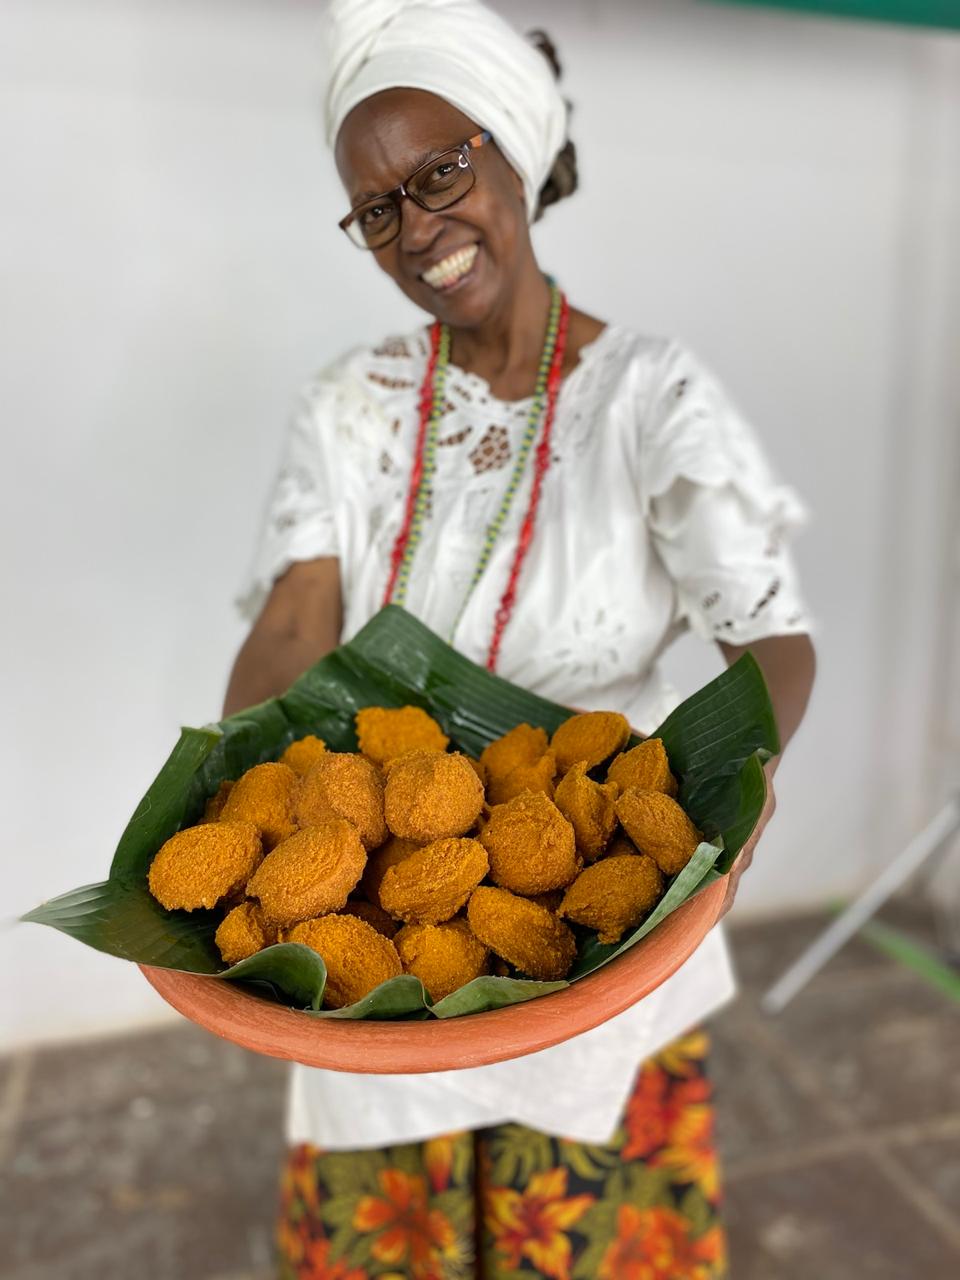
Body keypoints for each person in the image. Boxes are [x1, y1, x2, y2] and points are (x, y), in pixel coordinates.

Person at [225, 1, 817, 1275]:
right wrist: (229, 794)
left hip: (601, 937)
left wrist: (739, 783)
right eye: (377, 206)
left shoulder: (650, 393)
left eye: (442, 170)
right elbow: (294, 620)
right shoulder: (351, 404)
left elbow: (772, 636)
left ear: (515, 153)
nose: (418, 227)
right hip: (375, 951)